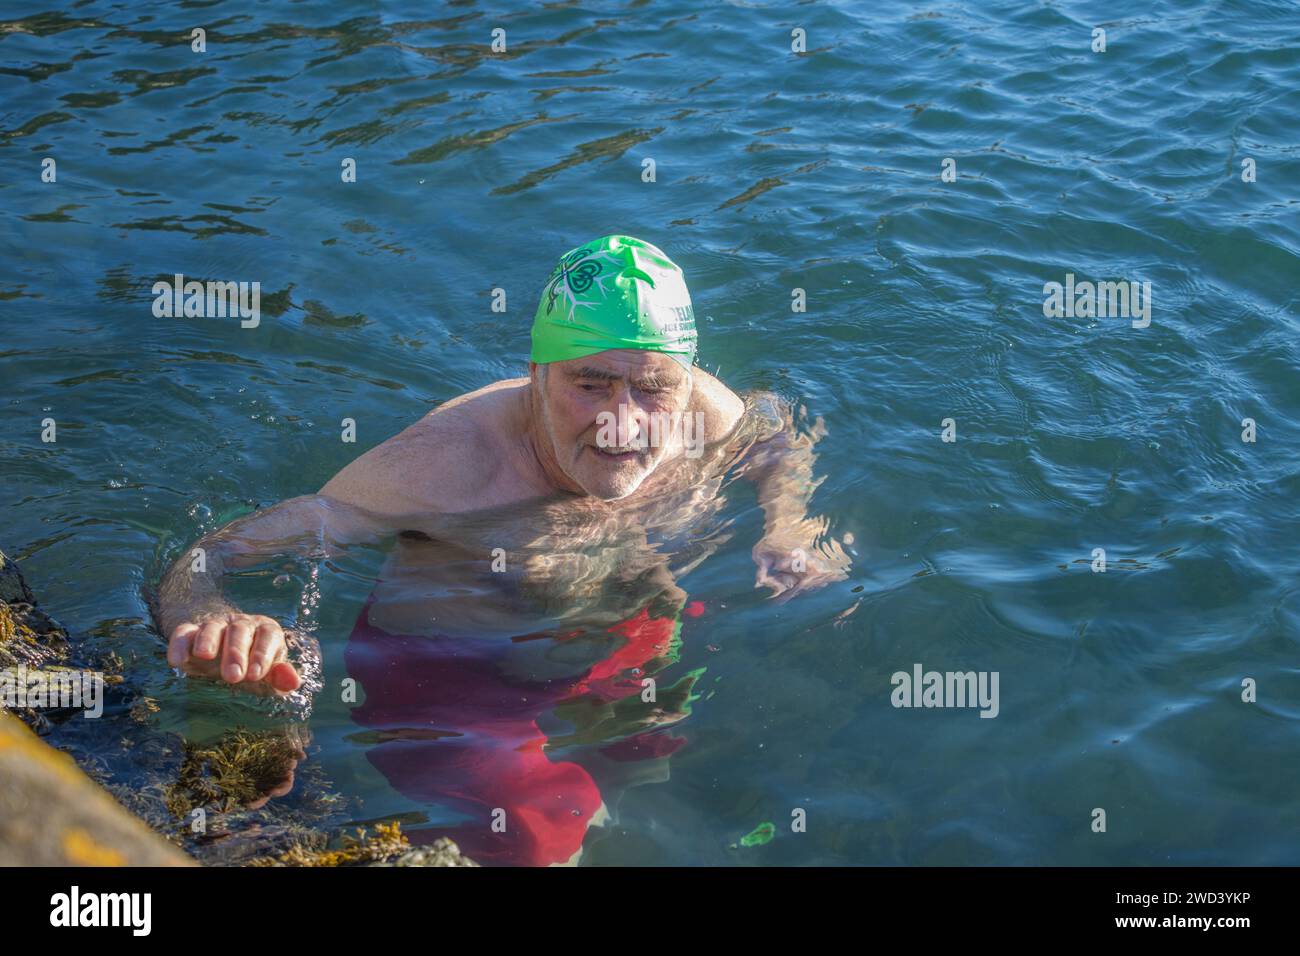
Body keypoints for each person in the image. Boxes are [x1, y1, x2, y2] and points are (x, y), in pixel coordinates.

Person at [155, 234, 850, 863]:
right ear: (536, 373)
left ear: (682, 377)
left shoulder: (702, 407)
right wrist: (211, 611)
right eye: (590, 384)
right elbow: (210, 556)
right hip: (451, 684)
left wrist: (787, 524)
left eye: (652, 388)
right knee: (529, 844)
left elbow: (774, 433)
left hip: (622, 638)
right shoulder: (444, 469)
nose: (623, 420)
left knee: (685, 787)